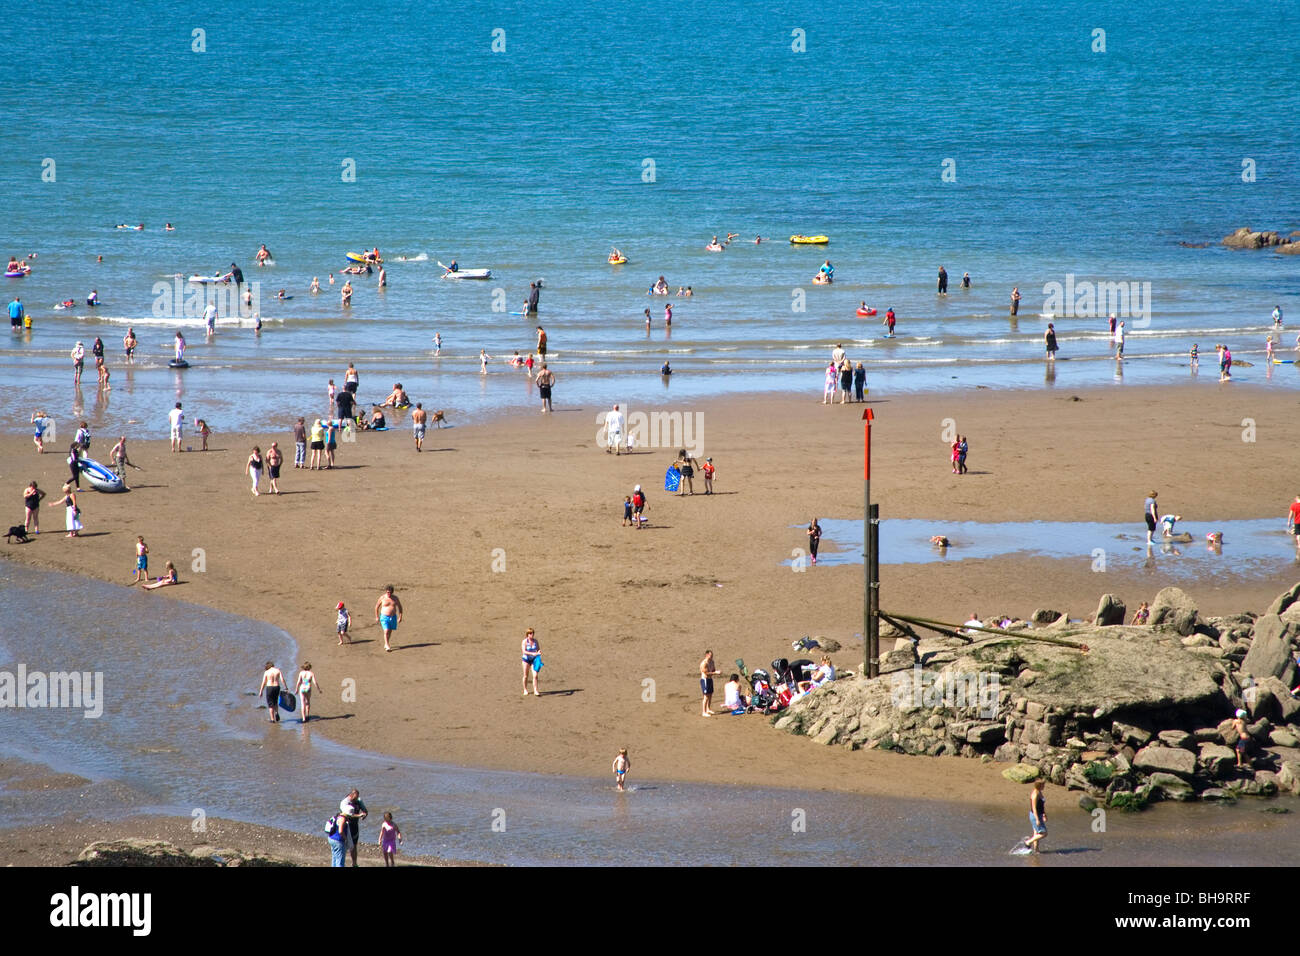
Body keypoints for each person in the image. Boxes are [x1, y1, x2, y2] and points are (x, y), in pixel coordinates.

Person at [339, 790, 368, 867]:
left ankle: (354, 863)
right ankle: (341, 863)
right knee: (343, 844)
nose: (356, 799)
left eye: (357, 798)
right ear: (351, 796)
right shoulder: (344, 802)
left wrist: (365, 814)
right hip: (346, 825)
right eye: (355, 798)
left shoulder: (358, 800)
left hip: (355, 826)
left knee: (354, 845)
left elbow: (365, 810)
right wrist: (359, 815)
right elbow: (348, 814)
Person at [375, 585, 403, 652]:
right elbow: (376, 607)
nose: (388, 594)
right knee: (386, 630)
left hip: (393, 617)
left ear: (392, 592)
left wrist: (400, 617)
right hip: (384, 617)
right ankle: (387, 645)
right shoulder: (382, 598)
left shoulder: (395, 598)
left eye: (390, 592)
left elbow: (400, 607)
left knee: (390, 631)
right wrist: (377, 616)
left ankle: (386, 643)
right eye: (387, 592)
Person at [1024, 779, 1047, 853]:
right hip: (1035, 816)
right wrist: (1037, 819)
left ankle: (1036, 851)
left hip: (1039, 814)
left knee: (1036, 834)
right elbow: (1034, 808)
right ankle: (1028, 842)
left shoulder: (1039, 792)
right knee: (1044, 833)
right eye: (1043, 785)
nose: (1044, 786)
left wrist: (1044, 814)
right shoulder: (1035, 794)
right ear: (1039, 785)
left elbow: (1041, 805)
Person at [699, 650, 720, 717]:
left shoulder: (712, 661)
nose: (712, 656)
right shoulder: (704, 663)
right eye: (711, 655)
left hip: (710, 679)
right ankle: (704, 712)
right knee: (706, 696)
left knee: (710, 695)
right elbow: (706, 673)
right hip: (705, 680)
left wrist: (715, 671)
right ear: (707, 655)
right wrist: (715, 673)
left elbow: (713, 670)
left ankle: (708, 709)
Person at [521, 627, 541, 696]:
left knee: (535, 675)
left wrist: (539, 652)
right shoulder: (525, 641)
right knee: (525, 676)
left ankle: (535, 690)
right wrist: (532, 653)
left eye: (532, 633)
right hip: (526, 660)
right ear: (527, 634)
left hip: (534, 660)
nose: (532, 634)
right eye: (530, 633)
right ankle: (525, 689)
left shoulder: (535, 641)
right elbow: (524, 651)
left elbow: (538, 649)